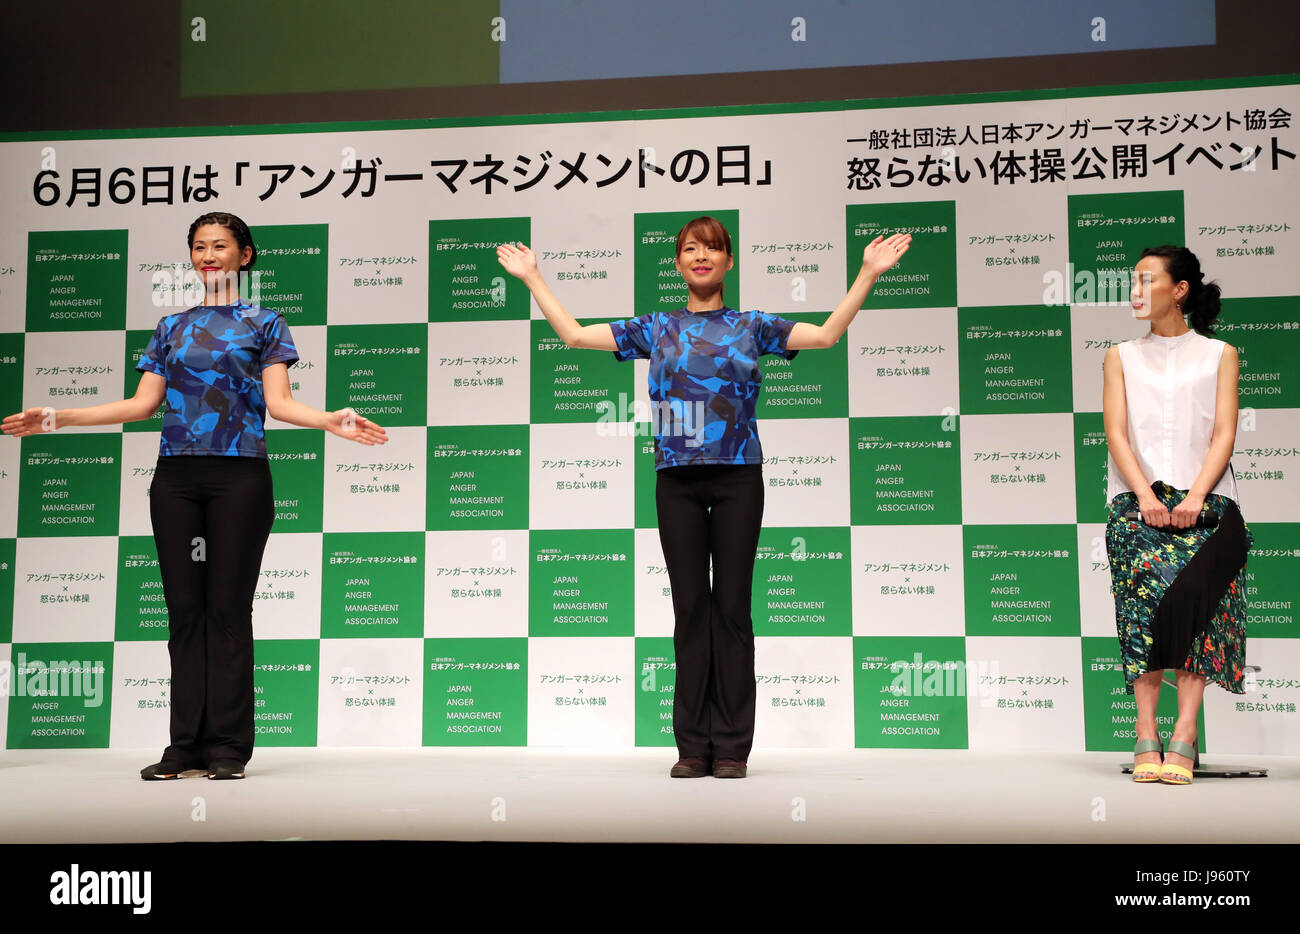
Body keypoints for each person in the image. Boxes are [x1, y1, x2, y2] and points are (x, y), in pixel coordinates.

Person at [499, 217, 910, 778]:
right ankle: (693, 747)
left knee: (733, 608)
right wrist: (533, 277)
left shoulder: (751, 324)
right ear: (677, 263)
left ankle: (733, 749)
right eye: (690, 248)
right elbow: (573, 334)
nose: (700, 256)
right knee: (691, 610)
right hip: (678, 481)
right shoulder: (656, 327)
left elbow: (824, 336)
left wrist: (866, 274)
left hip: (739, 476)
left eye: (712, 248)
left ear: (728, 262)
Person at [3, 211, 388, 780]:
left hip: (240, 478)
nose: (209, 255)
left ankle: (229, 747)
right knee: (184, 612)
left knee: (227, 610)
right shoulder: (171, 327)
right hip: (176, 481)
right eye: (199, 247)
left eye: (220, 246)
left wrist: (331, 420)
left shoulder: (265, 323)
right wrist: (58, 417)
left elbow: (280, 404)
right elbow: (140, 406)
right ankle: (183, 745)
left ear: (245, 256)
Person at [1102, 245, 1251, 786]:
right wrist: (1144, 496)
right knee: (1140, 618)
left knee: (1202, 618)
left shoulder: (1219, 354)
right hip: (1136, 505)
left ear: (1179, 290)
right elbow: (1116, 433)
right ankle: (1145, 732)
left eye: (1146, 281)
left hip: (1208, 506)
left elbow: (1224, 434)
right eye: (1133, 282)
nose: (1135, 292)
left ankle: (1185, 734)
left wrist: (1195, 496)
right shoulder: (1120, 355)